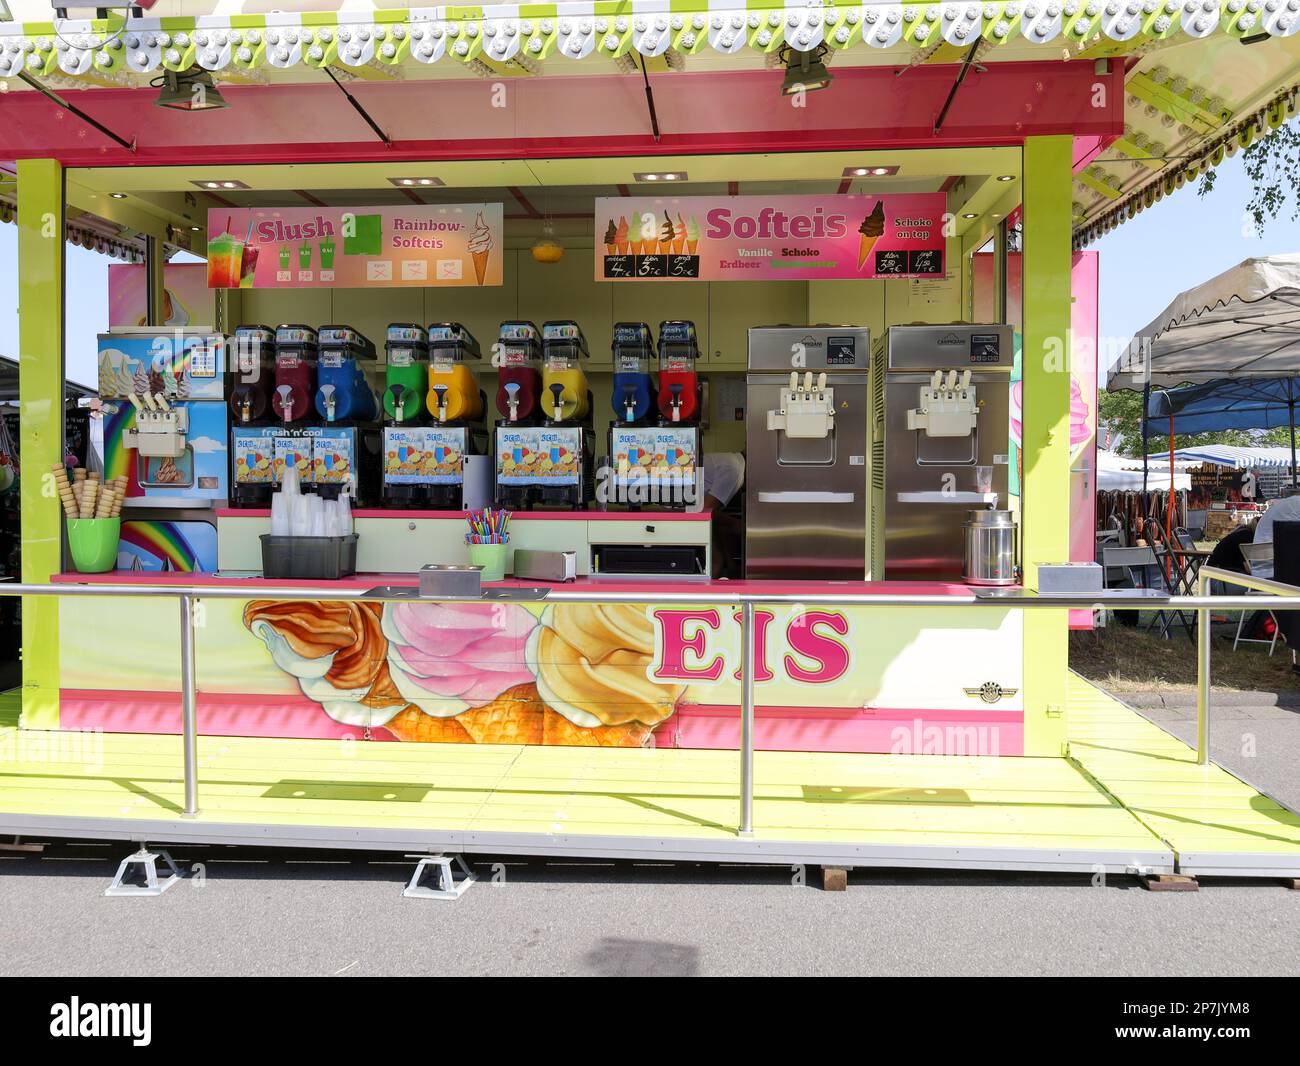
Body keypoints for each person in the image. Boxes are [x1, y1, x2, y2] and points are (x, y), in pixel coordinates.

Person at [694, 452, 745, 577]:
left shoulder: (729, 461)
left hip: (684, 507)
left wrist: (730, 562)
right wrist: (735, 523)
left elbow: (713, 520)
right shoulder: (733, 470)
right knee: (715, 563)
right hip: (676, 510)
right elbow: (704, 512)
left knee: (716, 560)